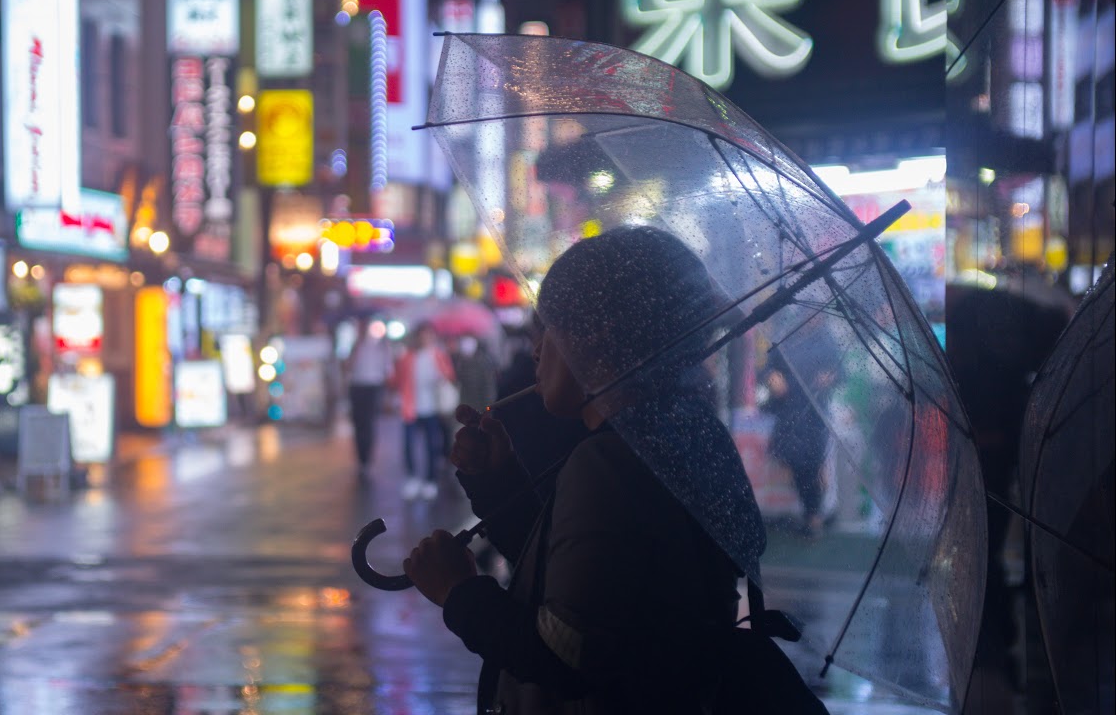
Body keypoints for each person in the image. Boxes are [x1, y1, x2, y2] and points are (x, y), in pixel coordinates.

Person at [403, 227, 826, 714]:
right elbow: (598, 590)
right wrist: (499, 480)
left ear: (600, 335)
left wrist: (460, 591)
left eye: (549, 326)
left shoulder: (610, 463)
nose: (536, 349)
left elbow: (566, 656)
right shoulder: (689, 435)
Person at [761, 351, 837, 538]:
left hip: (814, 414)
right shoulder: (785, 338)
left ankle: (814, 515)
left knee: (813, 463)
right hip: (788, 414)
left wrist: (831, 376)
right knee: (795, 464)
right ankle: (810, 514)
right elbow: (767, 368)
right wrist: (771, 376)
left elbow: (839, 370)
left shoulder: (826, 340)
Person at [394, 323, 456, 500]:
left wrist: (441, 377)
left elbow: (450, 376)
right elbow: (398, 380)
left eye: (428, 335)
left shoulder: (439, 355)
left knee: (432, 446)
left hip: (433, 408)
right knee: (409, 446)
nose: (424, 339)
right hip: (411, 408)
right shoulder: (407, 357)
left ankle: (431, 480)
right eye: (422, 335)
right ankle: (412, 478)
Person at [343, 316, 394, 479]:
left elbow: (387, 370)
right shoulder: (356, 346)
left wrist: (387, 393)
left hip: (373, 387)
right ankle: (361, 458)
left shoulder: (381, 347)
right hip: (357, 386)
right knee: (358, 424)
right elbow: (348, 367)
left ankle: (367, 459)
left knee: (369, 423)